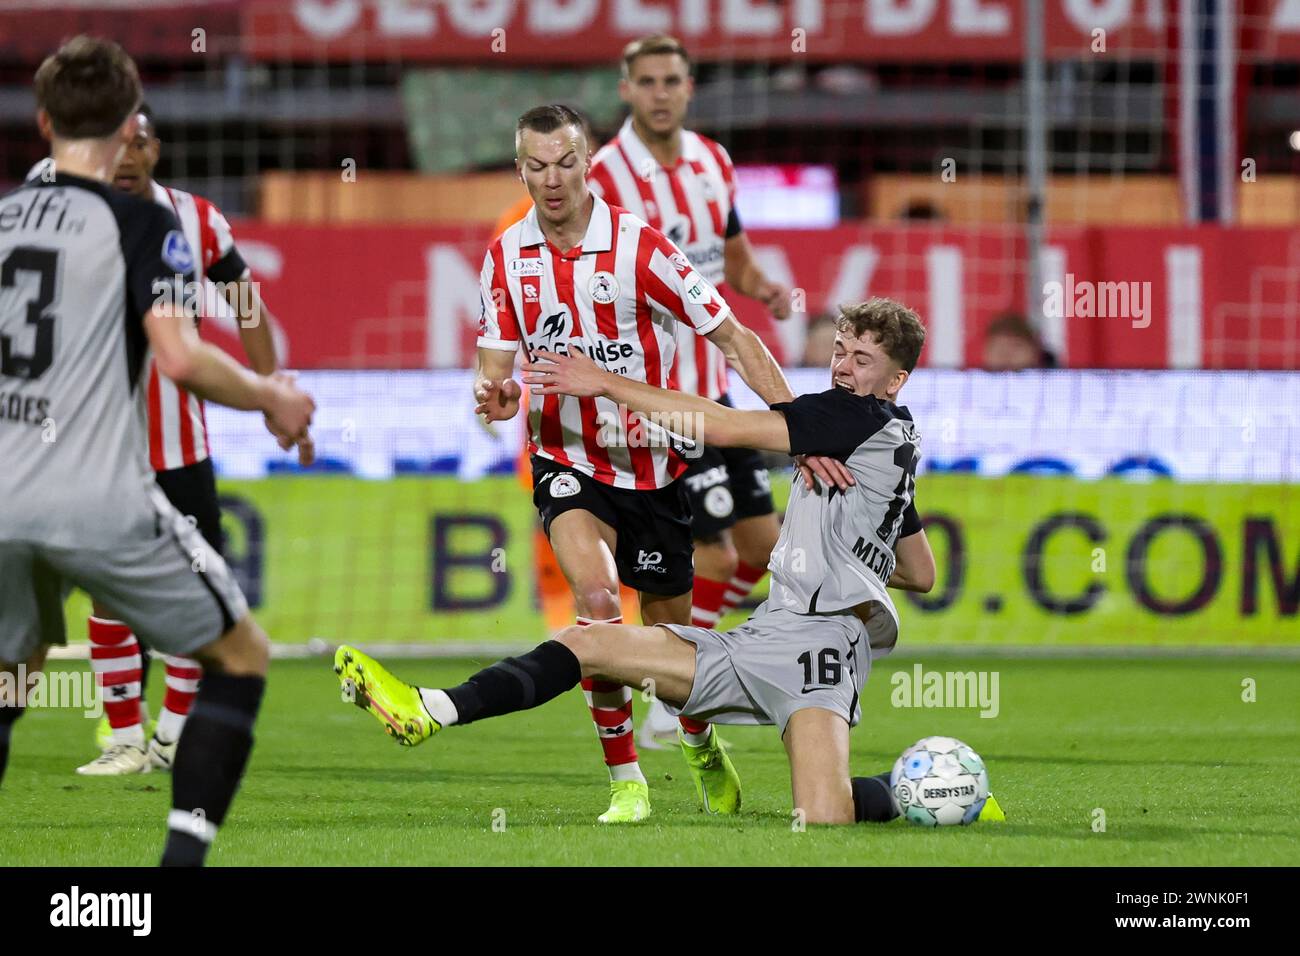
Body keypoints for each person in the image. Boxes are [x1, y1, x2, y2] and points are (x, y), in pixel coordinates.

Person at [334, 299, 1008, 825]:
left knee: (823, 818)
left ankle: (938, 790)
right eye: (838, 351)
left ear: (896, 377)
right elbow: (921, 572)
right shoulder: (892, 440)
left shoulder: (852, 416)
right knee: (589, 641)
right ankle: (432, 708)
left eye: (861, 358)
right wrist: (846, 548)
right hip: (766, 634)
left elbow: (719, 424)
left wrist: (606, 383)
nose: (842, 368)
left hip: (820, 647)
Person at [0, 36, 315, 866]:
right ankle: (178, 862)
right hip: (99, 489)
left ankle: (151, 734)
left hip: (5, 491)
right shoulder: (143, 223)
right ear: (128, 121)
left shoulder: (2, 220)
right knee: (242, 652)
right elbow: (178, 356)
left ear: (41, 122)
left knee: (14, 672)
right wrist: (273, 394)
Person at [467, 103, 814, 823]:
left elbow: (734, 337)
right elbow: (492, 368)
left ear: (587, 160)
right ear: (520, 169)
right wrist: (495, 395)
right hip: (566, 459)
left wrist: (800, 427)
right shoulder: (506, 257)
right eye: (537, 166)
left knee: (670, 644)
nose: (552, 179)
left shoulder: (642, 249)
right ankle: (626, 781)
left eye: (565, 162)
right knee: (597, 609)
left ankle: (694, 730)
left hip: (654, 468)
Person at [57, 102, 290, 776]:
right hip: (98, 447)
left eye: (139, 142)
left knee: (193, 592)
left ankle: (173, 732)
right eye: (114, 143)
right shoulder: (66, 221)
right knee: (108, 591)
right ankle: (124, 738)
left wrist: (269, 386)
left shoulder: (199, 221)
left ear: (156, 150)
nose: (126, 156)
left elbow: (245, 304)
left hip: (179, 445)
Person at [588, 37, 794, 747]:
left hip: (720, 397)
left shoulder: (713, 161)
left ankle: (695, 664)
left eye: (671, 80)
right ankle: (670, 699)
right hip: (661, 399)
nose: (660, 93)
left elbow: (727, 255)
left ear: (689, 86)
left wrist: (760, 284)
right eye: (646, 81)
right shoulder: (606, 176)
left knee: (763, 552)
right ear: (625, 89)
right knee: (709, 557)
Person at [982, 312, 1058, 371]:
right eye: (999, 347)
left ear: (1035, 352)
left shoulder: (1058, 384)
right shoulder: (975, 385)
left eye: (1015, 346)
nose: (1006, 355)